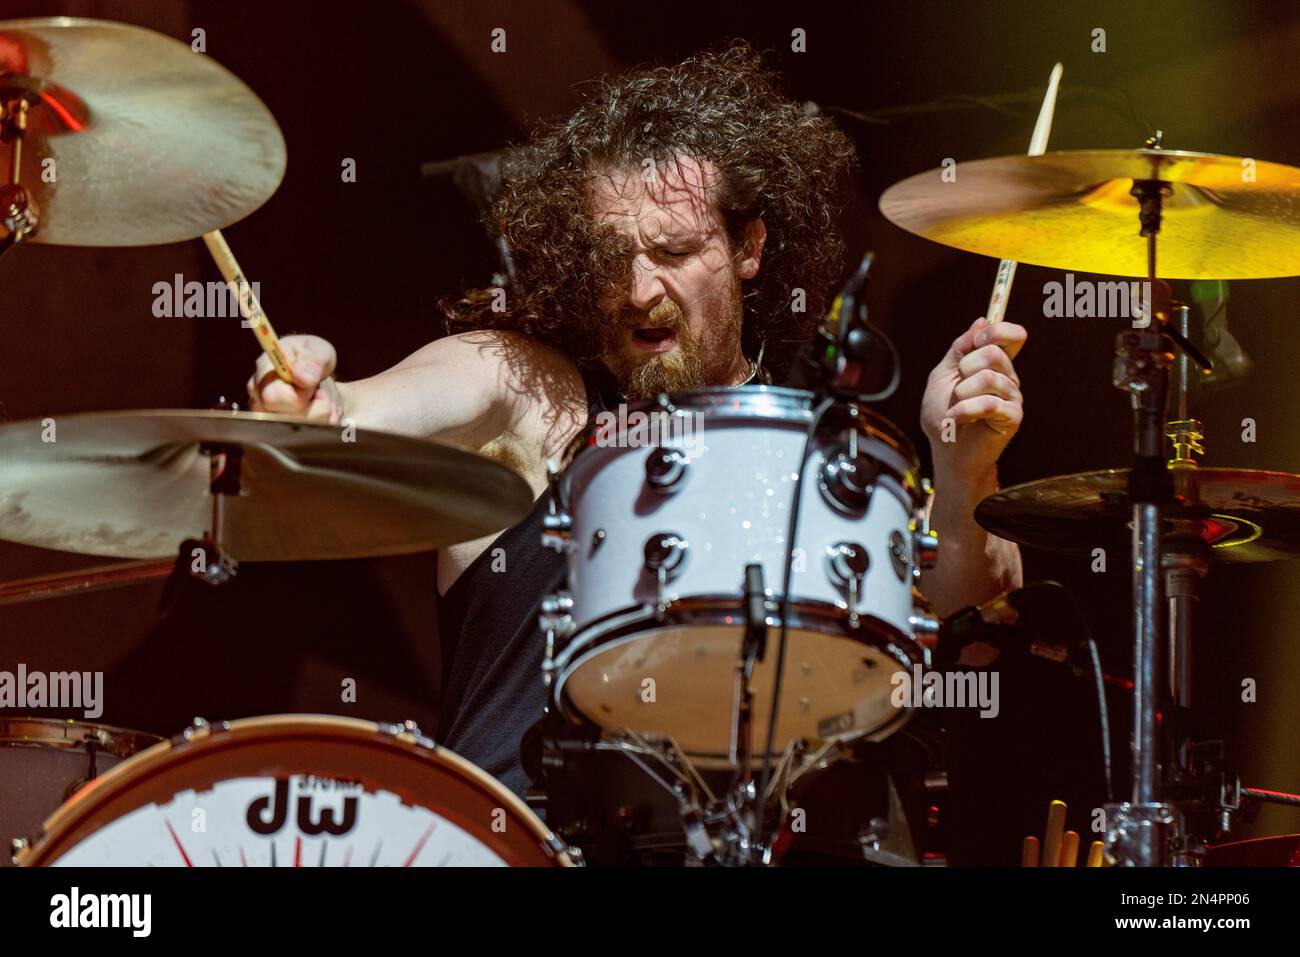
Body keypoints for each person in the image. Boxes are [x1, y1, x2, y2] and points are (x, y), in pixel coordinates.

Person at [247, 43, 1026, 796]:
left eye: (674, 249)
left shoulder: (809, 440)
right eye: (611, 253)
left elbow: (960, 587)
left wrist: (963, 466)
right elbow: (373, 412)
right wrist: (322, 402)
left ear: (748, 246)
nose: (638, 287)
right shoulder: (529, 386)